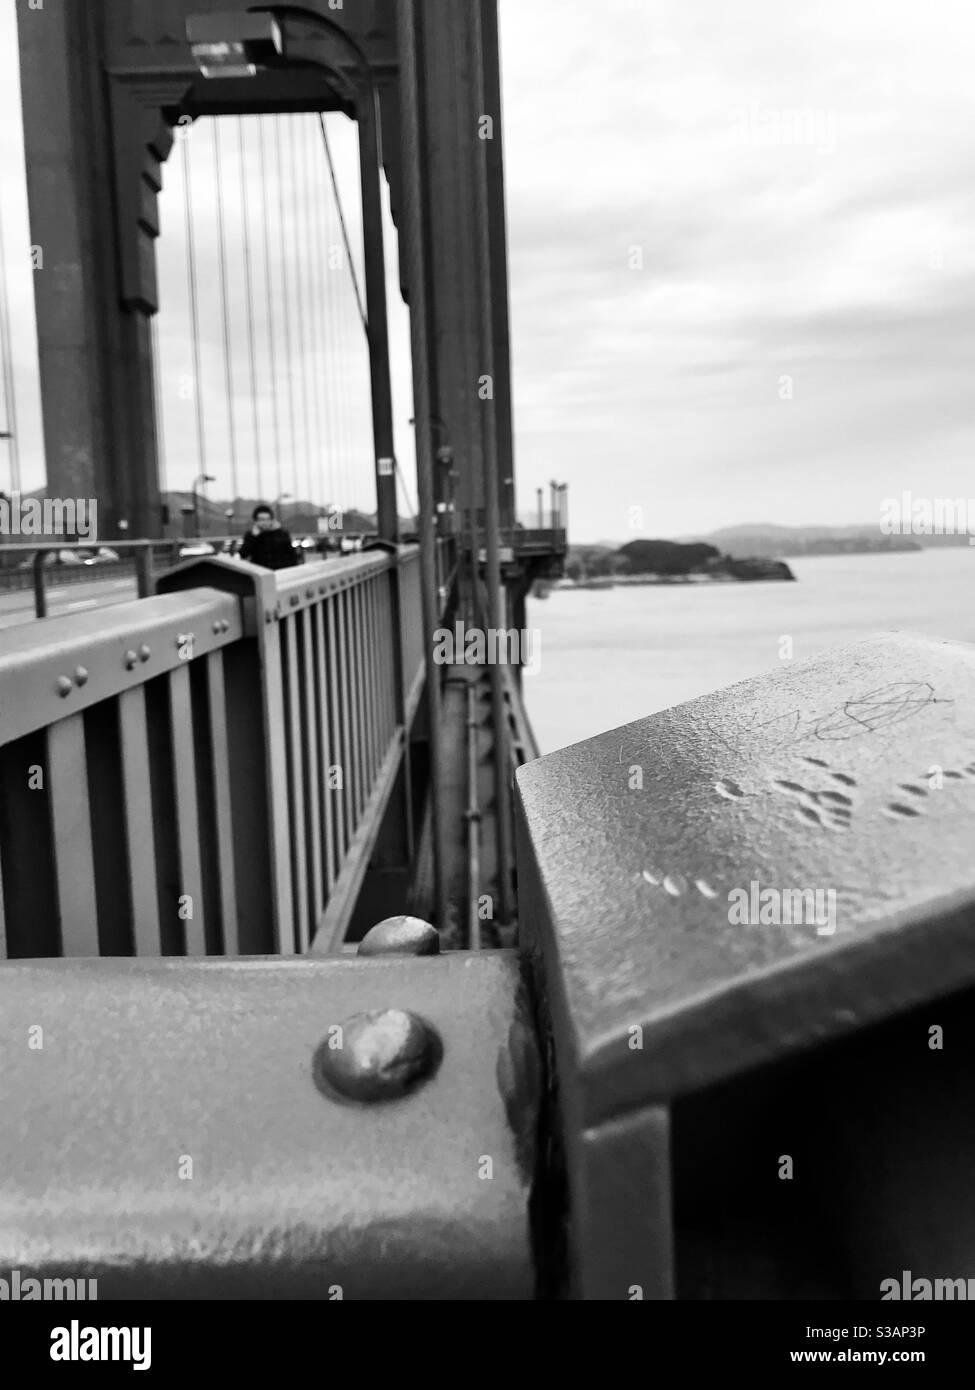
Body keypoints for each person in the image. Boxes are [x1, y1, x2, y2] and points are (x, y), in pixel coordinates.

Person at [239, 504, 300, 571]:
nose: (265, 522)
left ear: (272, 520)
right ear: (256, 521)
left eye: (268, 519)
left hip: (281, 573)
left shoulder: (282, 533)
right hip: (261, 574)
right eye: (262, 519)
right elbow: (243, 554)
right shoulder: (251, 535)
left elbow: (292, 555)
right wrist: (253, 537)